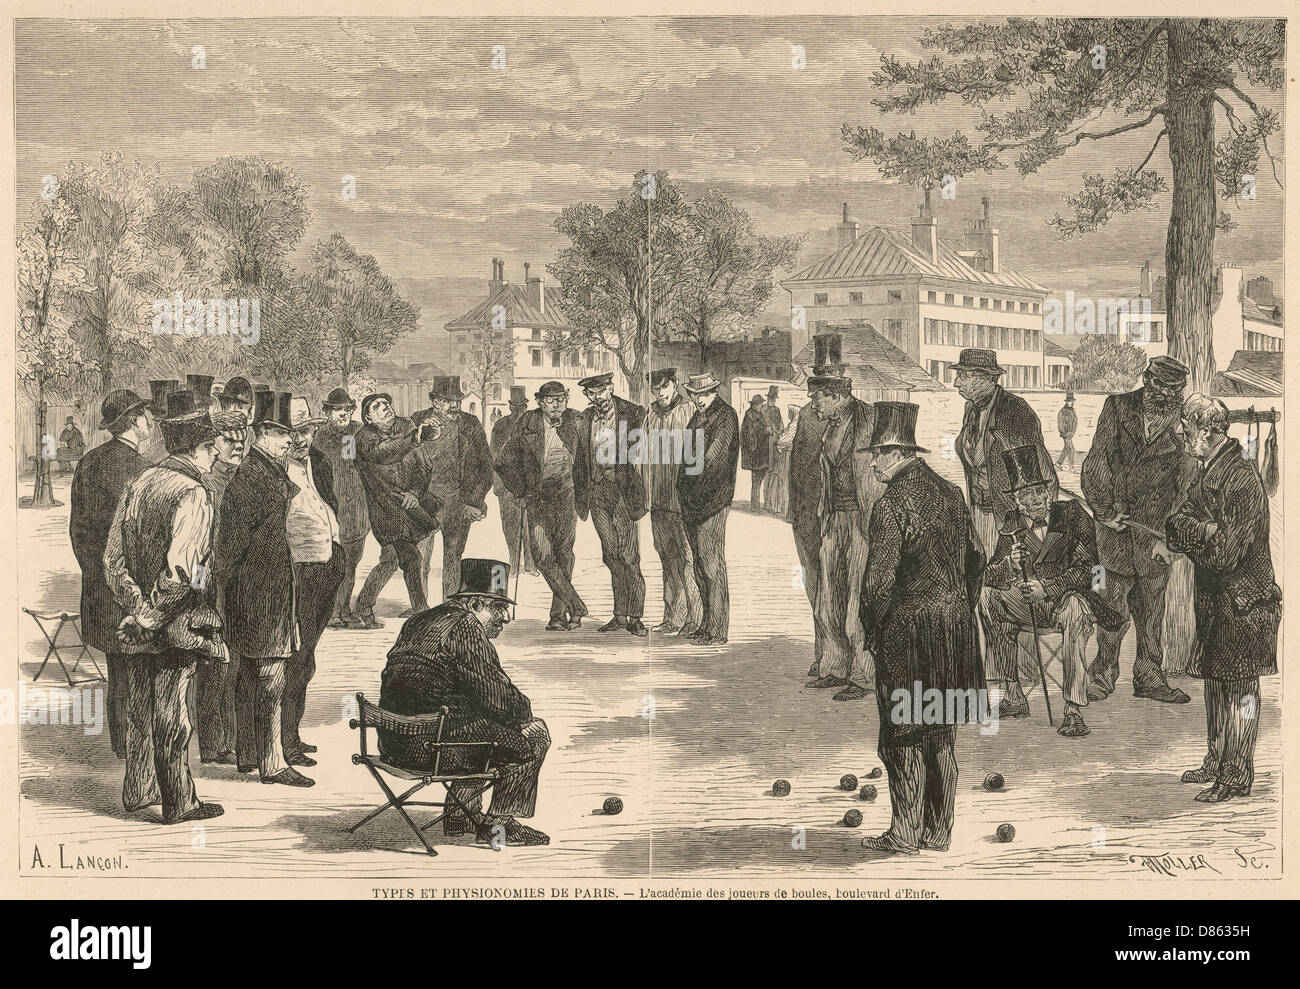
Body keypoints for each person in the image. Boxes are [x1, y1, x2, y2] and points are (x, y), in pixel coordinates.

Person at [859, 403, 986, 855]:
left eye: (878, 453)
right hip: (954, 631)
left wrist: (873, 632)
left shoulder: (891, 503)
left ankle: (905, 833)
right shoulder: (951, 493)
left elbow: (877, 583)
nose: (873, 462)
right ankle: (938, 832)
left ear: (897, 452)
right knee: (941, 732)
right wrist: (957, 607)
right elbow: (976, 560)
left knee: (903, 735)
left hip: (908, 632)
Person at [102, 394, 228, 824]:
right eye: (212, 446)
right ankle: (179, 801)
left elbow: (112, 560)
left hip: (139, 620)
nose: (215, 454)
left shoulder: (139, 483)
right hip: (174, 623)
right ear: (197, 448)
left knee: (139, 710)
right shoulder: (193, 492)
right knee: (174, 715)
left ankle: (138, 791)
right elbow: (182, 572)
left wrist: (136, 610)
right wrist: (153, 617)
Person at [379, 558, 550, 846]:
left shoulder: (419, 620)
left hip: (394, 743)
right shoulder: (465, 627)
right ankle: (498, 826)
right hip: (430, 751)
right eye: (497, 607)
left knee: (480, 725)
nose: (504, 617)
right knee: (534, 736)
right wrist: (525, 714)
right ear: (473, 605)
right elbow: (499, 697)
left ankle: (461, 815)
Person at [1167, 394, 1280, 802]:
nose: (1181, 434)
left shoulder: (1241, 477)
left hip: (1245, 604)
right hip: (1219, 601)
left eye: (1186, 428)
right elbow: (1173, 522)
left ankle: (1237, 774)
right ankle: (1216, 759)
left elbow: (1227, 555)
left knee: (1242, 693)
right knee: (1216, 686)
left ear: (1209, 431)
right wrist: (1205, 530)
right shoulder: (1207, 469)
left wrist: (1198, 536)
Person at [978, 446, 1126, 737]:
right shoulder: (1012, 524)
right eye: (1025, 495)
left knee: (1075, 608)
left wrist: (1045, 587)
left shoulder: (1072, 515)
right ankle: (1013, 694)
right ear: (1016, 501)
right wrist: (1010, 563)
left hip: (1064, 602)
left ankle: (1072, 709)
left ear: (1049, 492)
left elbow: (1089, 570)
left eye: (1038, 492)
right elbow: (992, 574)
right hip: (1029, 605)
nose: (1033, 501)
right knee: (988, 597)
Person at [1080, 355, 1193, 705]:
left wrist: (1172, 536)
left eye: (1174, 390)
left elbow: (1188, 484)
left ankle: (1148, 676)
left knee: (1151, 611)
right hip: (1113, 531)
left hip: (1155, 536)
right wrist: (1103, 510)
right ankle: (1102, 674)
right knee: (1109, 605)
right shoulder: (1116, 407)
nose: (1167, 395)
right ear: (1147, 380)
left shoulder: (1183, 422)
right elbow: (1096, 461)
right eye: (1160, 386)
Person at [218, 390, 314, 788]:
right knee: (270, 677)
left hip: (261, 588)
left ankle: (248, 755)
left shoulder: (266, 470)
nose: (288, 440)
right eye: (278, 432)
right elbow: (231, 546)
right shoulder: (255, 476)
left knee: (251, 676)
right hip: (261, 592)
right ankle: (271, 763)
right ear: (260, 433)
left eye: (289, 432)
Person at [69, 388, 153, 759]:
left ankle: (122, 746)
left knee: (118, 673)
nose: (151, 421)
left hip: (101, 591)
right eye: (146, 415)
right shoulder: (141, 470)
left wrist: (98, 574)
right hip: (134, 592)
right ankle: (136, 752)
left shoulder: (87, 463)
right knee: (139, 673)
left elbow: (79, 532)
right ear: (134, 421)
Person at [801, 368, 884, 701]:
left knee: (857, 598)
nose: (814, 405)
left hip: (863, 520)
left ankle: (864, 675)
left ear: (835, 396)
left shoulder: (869, 418)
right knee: (828, 596)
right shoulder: (829, 425)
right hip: (834, 518)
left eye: (818, 398)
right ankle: (834, 666)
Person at [494, 381, 588, 631]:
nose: (556, 404)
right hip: (537, 498)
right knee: (543, 556)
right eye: (550, 399)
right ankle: (575, 605)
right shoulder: (528, 422)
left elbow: (587, 460)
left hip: (567, 496)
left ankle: (558, 616)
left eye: (561, 399)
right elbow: (503, 462)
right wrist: (520, 492)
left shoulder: (577, 421)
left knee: (564, 554)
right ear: (539, 402)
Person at [282, 398, 345, 768]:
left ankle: (292, 734)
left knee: (306, 658)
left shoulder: (319, 462)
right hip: (296, 571)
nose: (302, 439)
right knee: (293, 657)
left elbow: (329, 505)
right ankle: (283, 741)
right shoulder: (275, 470)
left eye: (306, 431)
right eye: (294, 433)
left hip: (324, 566)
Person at [953, 348, 1057, 559]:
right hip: (978, 513)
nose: (956, 382)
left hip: (1010, 518)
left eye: (964, 376)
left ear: (987, 378)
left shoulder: (1014, 410)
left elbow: (1035, 473)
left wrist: (1032, 523)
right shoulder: (970, 409)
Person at [352, 394, 437, 627]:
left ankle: (363, 606)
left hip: (411, 505)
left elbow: (424, 466)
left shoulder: (406, 426)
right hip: (385, 509)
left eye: (386, 404)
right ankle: (421, 613)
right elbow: (383, 452)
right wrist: (415, 437)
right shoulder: (363, 439)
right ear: (368, 418)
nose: (385, 408)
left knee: (390, 560)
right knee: (411, 557)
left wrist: (415, 492)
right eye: (377, 407)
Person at [409, 375, 494, 605]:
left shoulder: (470, 424)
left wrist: (473, 502)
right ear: (435, 401)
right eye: (448, 401)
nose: (455, 405)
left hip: (458, 503)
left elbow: (485, 467)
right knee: (419, 558)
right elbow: (402, 460)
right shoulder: (417, 421)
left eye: (457, 400)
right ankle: (420, 607)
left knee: (454, 557)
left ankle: (450, 606)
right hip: (424, 502)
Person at [575, 372, 647, 636]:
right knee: (611, 555)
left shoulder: (633, 412)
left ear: (610, 388)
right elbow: (579, 460)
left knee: (630, 556)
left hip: (622, 493)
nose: (597, 398)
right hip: (597, 494)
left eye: (601, 392)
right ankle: (619, 614)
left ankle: (636, 616)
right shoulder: (584, 419)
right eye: (591, 394)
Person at [195, 405, 248, 766]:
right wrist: (201, 595)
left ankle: (230, 741)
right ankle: (213, 745)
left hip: (239, 588)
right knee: (215, 666)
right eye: (228, 440)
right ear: (214, 443)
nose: (236, 446)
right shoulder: (206, 483)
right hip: (211, 587)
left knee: (235, 667)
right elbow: (198, 548)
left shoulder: (240, 478)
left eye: (241, 440)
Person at [678, 372, 739, 646]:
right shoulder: (697, 417)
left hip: (712, 501)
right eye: (695, 395)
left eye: (704, 394)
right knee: (700, 566)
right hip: (693, 502)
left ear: (714, 392)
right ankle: (706, 624)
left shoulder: (725, 415)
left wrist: (691, 484)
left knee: (711, 565)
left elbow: (713, 461)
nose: (699, 399)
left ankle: (717, 629)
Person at [643, 368, 702, 636]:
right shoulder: (651, 413)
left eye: (664, 388)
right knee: (667, 558)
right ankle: (672, 617)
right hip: (658, 499)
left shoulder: (690, 410)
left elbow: (697, 456)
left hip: (683, 501)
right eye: (656, 390)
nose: (660, 394)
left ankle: (696, 618)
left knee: (689, 560)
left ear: (675, 385)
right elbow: (643, 454)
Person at [312, 388, 370, 629]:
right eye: (338, 410)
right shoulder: (319, 438)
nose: (343, 414)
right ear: (327, 412)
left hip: (358, 510)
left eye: (347, 410)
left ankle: (344, 608)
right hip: (333, 508)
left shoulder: (357, 432)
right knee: (336, 564)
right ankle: (332, 612)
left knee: (352, 563)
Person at [490, 386, 536, 576]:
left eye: (521, 406)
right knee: (510, 526)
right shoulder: (501, 426)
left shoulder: (534, 424)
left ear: (526, 406)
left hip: (530, 485)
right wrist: (498, 485)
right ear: (510, 407)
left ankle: (532, 565)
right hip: (507, 485)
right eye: (514, 406)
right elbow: (493, 454)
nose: (518, 410)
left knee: (530, 526)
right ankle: (514, 565)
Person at [741, 394, 771, 510]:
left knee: (758, 479)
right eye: (760, 404)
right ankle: (755, 506)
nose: (761, 406)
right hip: (755, 455)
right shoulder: (750, 415)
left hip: (761, 454)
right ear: (755, 405)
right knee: (756, 481)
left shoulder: (758, 414)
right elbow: (751, 434)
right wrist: (765, 431)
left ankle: (756, 505)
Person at [761, 386, 784, 507]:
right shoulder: (763, 410)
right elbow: (760, 428)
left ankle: (771, 503)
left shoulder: (777, 410)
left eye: (774, 398)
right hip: (766, 447)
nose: (773, 400)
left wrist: (780, 434)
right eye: (772, 398)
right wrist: (767, 430)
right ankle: (766, 503)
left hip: (775, 446)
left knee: (774, 474)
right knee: (766, 475)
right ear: (768, 398)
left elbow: (781, 426)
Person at [1056, 392, 1078, 471]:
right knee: (1071, 450)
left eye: (1072, 401)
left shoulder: (1073, 410)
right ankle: (1071, 468)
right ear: (1066, 402)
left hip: (1070, 434)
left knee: (1066, 449)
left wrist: (1072, 432)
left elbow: (1075, 421)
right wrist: (1065, 433)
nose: (1071, 403)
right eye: (1069, 401)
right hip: (1066, 434)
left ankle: (1058, 463)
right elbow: (1060, 424)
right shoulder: (1062, 411)